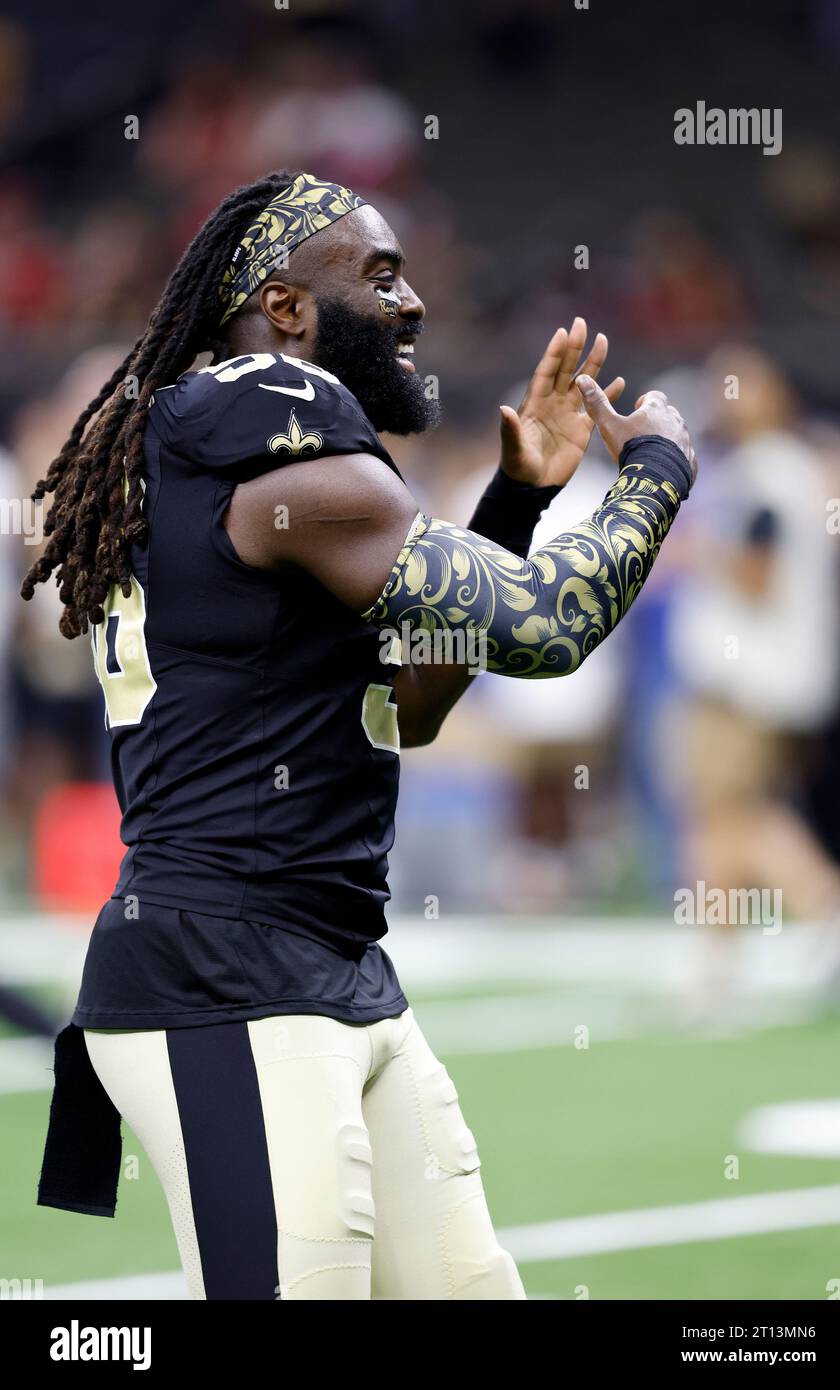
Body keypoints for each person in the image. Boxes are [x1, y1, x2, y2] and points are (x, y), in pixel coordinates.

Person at [24, 170, 695, 1300]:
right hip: (224, 972)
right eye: (378, 275)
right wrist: (659, 470)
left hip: (328, 960)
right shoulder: (271, 425)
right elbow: (540, 624)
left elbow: (405, 707)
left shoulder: (219, 446)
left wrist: (512, 506)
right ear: (284, 307)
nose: (412, 300)